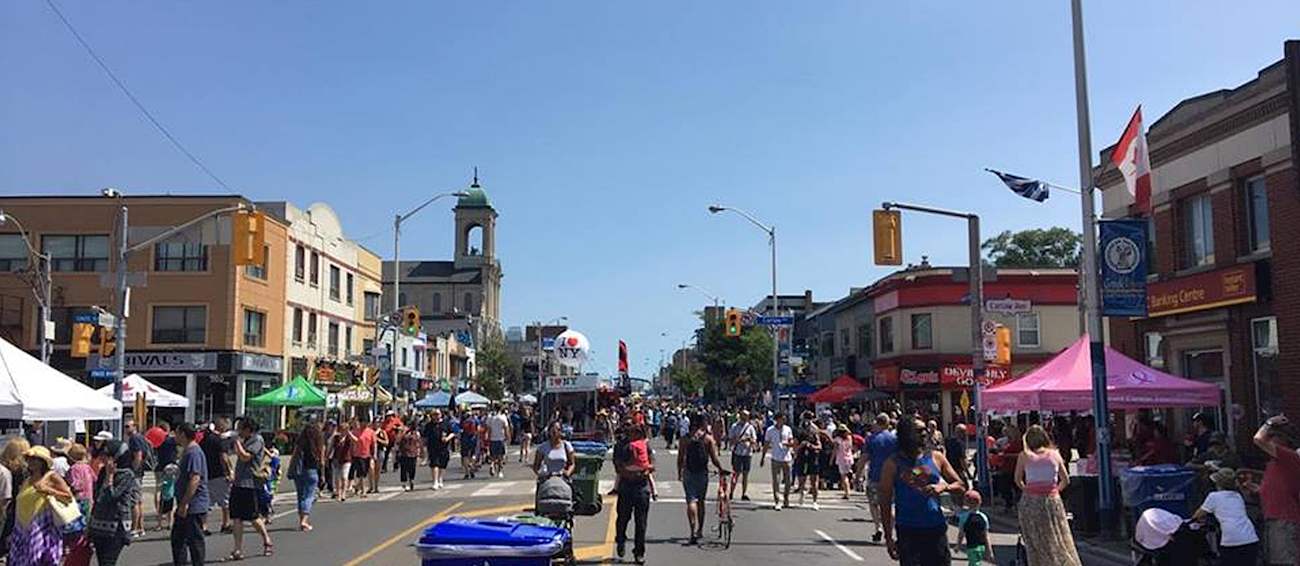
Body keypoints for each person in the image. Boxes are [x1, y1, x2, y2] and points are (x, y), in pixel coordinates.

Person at [878, 417, 966, 566]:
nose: (924, 433)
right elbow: (885, 503)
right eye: (919, 431)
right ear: (906, 434)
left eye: (925, 430)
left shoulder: (936, 457)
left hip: (935, 529)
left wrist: (943, 487)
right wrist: (888, 537)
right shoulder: (892, 464)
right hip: (908, 530)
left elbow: (961, 486)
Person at [1013, 424, 1081, 566]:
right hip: (1051, 499)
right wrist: (1054, 491)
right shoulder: (1055, 454)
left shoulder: (1024, 456)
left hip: (1031, 500)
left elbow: (1017, 479)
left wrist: (1027, 489)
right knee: (1056, 535)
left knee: (1035, 538)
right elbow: (1065, 480)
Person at [9, 445, 74, 565]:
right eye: (29, 459)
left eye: (35, 459)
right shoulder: (27, 479)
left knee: (35, 559)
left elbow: (68, 497)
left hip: (41, 526)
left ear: (43, 462)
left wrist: (48, 490)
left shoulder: (51, 476)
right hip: (22, 527)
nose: (31, 462)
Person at [1252, 414, 1300, 566]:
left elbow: (1258, 439)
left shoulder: (1289, 456)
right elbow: (1283, 487)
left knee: (1284, 560)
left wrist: (1269, 423)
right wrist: (1259, 489)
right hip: (1275, 517)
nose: (1269, 440)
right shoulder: (1277, 462)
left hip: (1283, 519)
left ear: (1283, 439)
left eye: (1272, 436)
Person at [226, 418, 272, 561]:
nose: (239, 431)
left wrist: (237, 442)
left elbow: (246, 457)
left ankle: (266, 539)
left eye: (241, 428)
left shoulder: (257, 440)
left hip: (250, 483)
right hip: (239, 482)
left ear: (248, 429)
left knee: (252, 517)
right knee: (236, 517)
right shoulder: (245, 440)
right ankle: (237, 549)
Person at [1193, 467, 1259, 565]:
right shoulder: (1238, 496)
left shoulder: (1213, 496)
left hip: (1231, 539)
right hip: (1250, 537)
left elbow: (1198, 515)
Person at [677, 413, 724, 545]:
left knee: (691, 500)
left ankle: (692, 531)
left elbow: (680, 458)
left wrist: (679, 472)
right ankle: (700, 530)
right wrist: (721, 469)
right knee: (701, 501)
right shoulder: (707, 439)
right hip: (702, 472)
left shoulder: (685, 439)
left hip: (689, 471)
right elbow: (714, 459)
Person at [87, 441, 137, 566]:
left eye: (106, 455)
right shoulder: (102, 471)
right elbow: (97, 498)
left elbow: (112, 496)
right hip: (99, 525)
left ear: (116, 456)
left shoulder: (126, 474)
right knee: (101, 562)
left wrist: (110, 477)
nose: (102, 457)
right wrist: (90, 523)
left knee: (108, 562)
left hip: (116, 527)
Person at [613, 422, 654, 564]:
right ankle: (620, 539)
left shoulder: (645, 445)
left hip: (642, 487)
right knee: (623, 519)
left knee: (641, 523)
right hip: (626, 486)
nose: (634, 432)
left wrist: (646, 470)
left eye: (637, 430)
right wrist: (629, 473)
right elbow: (618, 466)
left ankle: (639, 552)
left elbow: (652, 462)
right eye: (631, 429)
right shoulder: (621, 446)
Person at [171, 423, 208, 566]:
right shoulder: (187, 451)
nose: (175, 436)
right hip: (185, 503)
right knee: (178, 539)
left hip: (193, 504)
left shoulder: (194, 452)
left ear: (183, 434)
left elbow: (195, 479)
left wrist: (185, 503)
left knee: (194, 540)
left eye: (177, 433)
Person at [865, 414, 897, 543]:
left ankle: (878, 527)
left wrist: (857, 475)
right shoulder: (895, 439)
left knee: (874, 504)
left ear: (877, 423)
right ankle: (890, 531)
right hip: (892, 477)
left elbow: (864, 458)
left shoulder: (871, 439)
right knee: (891, 505)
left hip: (875, 476)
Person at [199, 418, 232, 534]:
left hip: (206, 473)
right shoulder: (220, 440)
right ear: (222, 427)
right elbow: (224, 457)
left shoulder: (204, 440)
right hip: (219, 474)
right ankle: (225, 524)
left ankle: (203, 526)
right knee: (225, 501)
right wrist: (229, 471)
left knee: (207, 503)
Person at [291, 421, 325, 532]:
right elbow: (322, 461)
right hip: (311, 470)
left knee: (301, 496)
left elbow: (294, 456)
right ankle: (304, 521)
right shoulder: (318, 442)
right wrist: (322, 474)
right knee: (309, 496)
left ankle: (302, 520)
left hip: (299, 471)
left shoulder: (300, 442)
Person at [759, 412, 794, 510]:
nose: (783, 420)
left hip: (787, 457)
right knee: (776, 481)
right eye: (782, 419)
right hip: (776, 458)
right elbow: (766, 444)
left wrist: (789, 444)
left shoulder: (788, 429)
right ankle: (777, 501)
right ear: (777, 419)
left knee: (788, 480)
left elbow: (791, 441)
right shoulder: (770, 430)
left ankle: (786, 498)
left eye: (784, 419)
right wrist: (763, 457)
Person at [123, 419, 150, 538]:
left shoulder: (134, 438)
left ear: (134, 427)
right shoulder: (141, 437)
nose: (126, 429)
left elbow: (138, 455)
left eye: (128, 426)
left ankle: (134, 528)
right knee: (138, 501)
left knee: (134, 502)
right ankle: (140, 527)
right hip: (140, 472)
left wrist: (133, 470)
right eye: (125, 426)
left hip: (136, 474)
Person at [952, 490, 992, 566]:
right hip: (982, 546)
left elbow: (961, 534)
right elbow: (986, 535)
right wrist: (989, 551)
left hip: (971, 546)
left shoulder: (964, 517)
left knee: (974, 563)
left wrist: (958, 545)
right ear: (980, 502)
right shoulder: (984, 517)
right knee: (977, 563)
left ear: (966, 503)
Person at [794, 414, 823, 510]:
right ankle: (802, 493)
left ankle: (815, 501)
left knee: (814, 480)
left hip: (812, 457)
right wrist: (800, 446)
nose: (808, 421)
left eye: (810, 419)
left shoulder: (815, 430)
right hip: (801, 456)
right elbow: (795, 446)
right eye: (806, 419)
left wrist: (811, 446)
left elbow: (819, 446)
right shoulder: (799, 430)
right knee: (802, 479)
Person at [728, 410, 757, 501]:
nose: (745, 417)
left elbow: (754, 440)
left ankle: (744, 493)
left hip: (747, 453)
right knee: (736, 473)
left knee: (745, 474)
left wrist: (749, 440)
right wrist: (738, 440)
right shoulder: (735, 426)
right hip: (737, 452)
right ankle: (731, 492)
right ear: (740, 416)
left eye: (747, 416)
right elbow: (730, 439)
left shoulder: (750, 427)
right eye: (744, 415)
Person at [424, 410, 454, 490]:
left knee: (443, 464)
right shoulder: (429, 425)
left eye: (437, 414)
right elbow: (425, 436)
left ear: (441, 414)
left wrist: (447, 438)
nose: (436, 416)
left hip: (444, 447)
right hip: (433, 447)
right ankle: (435, 481)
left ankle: (440, 478)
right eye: (434, 414)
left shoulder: (446, 423)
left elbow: (452, 433)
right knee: (434, 464)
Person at [330, 421, 355, 501]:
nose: (343, 431)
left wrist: (349, 433)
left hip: (346, 460)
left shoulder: (349, 438)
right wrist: (327, 457)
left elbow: (357, 441)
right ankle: (339, 493)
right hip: (336, 460)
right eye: (342, 429)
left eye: (345, 429)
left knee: (344, 477)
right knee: (337, 478)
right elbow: (330, 447)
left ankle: (343, 493)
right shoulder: (336, 438)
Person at [485, 405, 511, 479]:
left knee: (493, 455)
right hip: (501, 438)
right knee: (500, 456)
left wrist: (488, 437)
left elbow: (488, 428)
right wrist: (508, 437)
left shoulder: (490, 417)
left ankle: (492, 465)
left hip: (493, 439)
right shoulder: (503, 417)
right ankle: (499, 471)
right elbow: (506, 428)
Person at [351, 418, 374, 497]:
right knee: (362, 473)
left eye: (366, 422)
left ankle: (357, 486)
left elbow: (373, 443)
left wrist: (374, 454)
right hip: (358, 455)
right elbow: (353, 442)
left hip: (367, 454)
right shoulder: (356, 432)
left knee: (364, 473)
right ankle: (363, 490)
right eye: (363, 422)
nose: (365, 424)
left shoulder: (370, 432)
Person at [397, 421, 423, 491]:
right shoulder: (403, 432)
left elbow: (419, 443)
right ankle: (404, 482)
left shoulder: (416, 433)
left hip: (413, 453)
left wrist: (420, 453)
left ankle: (411, 480)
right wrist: (401, 432)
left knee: (412, 468)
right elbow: (398, 441)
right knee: (404, 468)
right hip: (404, 453)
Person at [833, 425, 856, 500]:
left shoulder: (837, 439)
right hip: (849, 458)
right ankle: (849, 488)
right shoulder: (849, 438)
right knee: (847, 474)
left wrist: (831, 459)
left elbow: (835, 450)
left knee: (844, 476)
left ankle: (847, 493)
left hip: (841, 458)